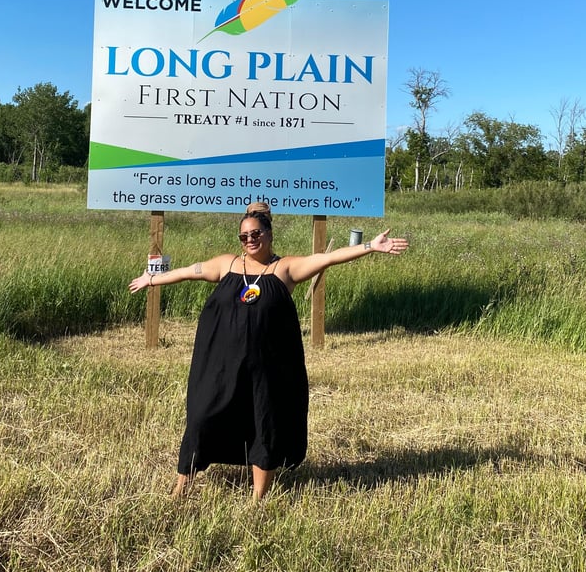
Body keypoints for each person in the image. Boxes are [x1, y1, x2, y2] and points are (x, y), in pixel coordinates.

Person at [128, 201, 409, 500]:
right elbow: (188, 271)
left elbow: (329, 258)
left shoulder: (284, 268)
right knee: (201, 416)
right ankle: (180, 489)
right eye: (244, 236)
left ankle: (258, 498)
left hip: (267, 368)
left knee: (265, 423)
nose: (250, 240)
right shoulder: (227, 264)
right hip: (221, 364)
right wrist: (152, 278)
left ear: (269, 233)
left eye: (256, 233)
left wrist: (370, 245)